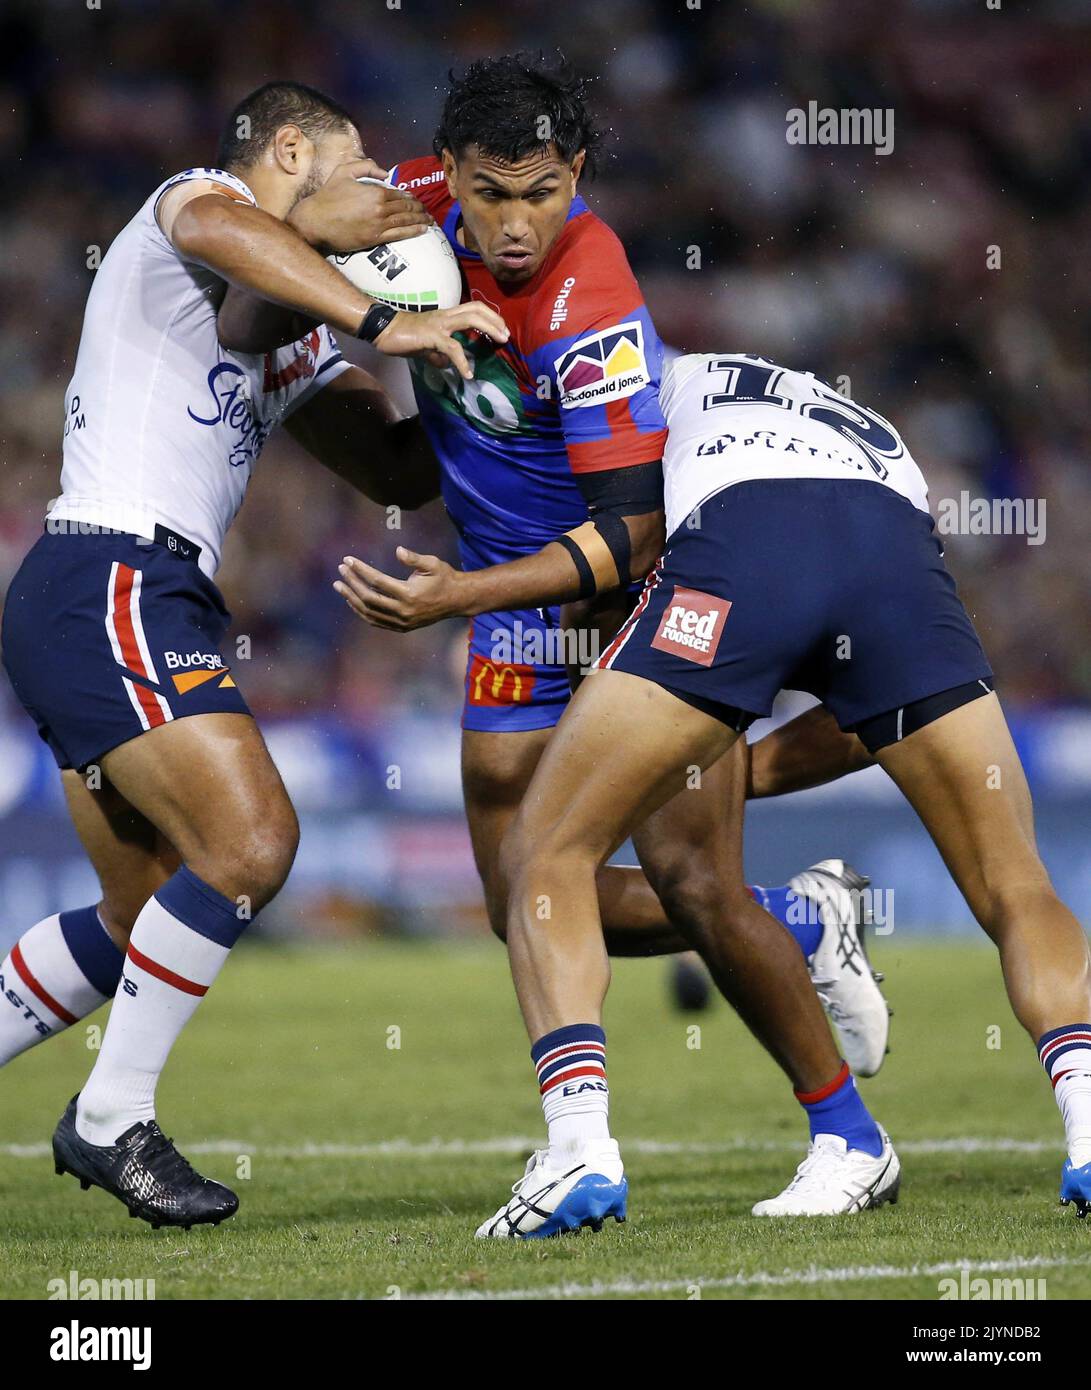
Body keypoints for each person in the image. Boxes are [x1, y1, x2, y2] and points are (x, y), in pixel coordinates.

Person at [311, 56, 895, 1231]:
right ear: (453, 175)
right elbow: (309, 210)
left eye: (539, 193)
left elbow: (627, 533)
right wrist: (351, 287)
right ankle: (806, 921)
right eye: (490, 194)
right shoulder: (426, 200)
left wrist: (455, 595)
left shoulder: (590, 297)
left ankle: (837, 1133)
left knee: (686, 880)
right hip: (504, 604)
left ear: (573, 174)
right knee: (514, 892)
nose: (514, 224)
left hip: (615, 594)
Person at [0, 80, 507, 1229]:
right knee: (252, 841)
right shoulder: (197, 200)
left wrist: (470, 380)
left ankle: (107, 1107)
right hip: (112, 575)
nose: (382, 197)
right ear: (288, 150)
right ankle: (110, 1117)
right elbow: (228, 233)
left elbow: (391, 472)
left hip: (120, 594)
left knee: (140, 921)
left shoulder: (285, 333)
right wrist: (391, 320)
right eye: (359, 170)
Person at [491, 350, 1091, 1229]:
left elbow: (617, 550)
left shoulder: (628, 382)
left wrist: (466, 595)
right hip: (892, 545)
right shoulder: (861, 429)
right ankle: (1082, 1126)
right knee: (1015, 881)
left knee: (544, 855)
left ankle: (580, 1149)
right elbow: (866, 717)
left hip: (745, 537)